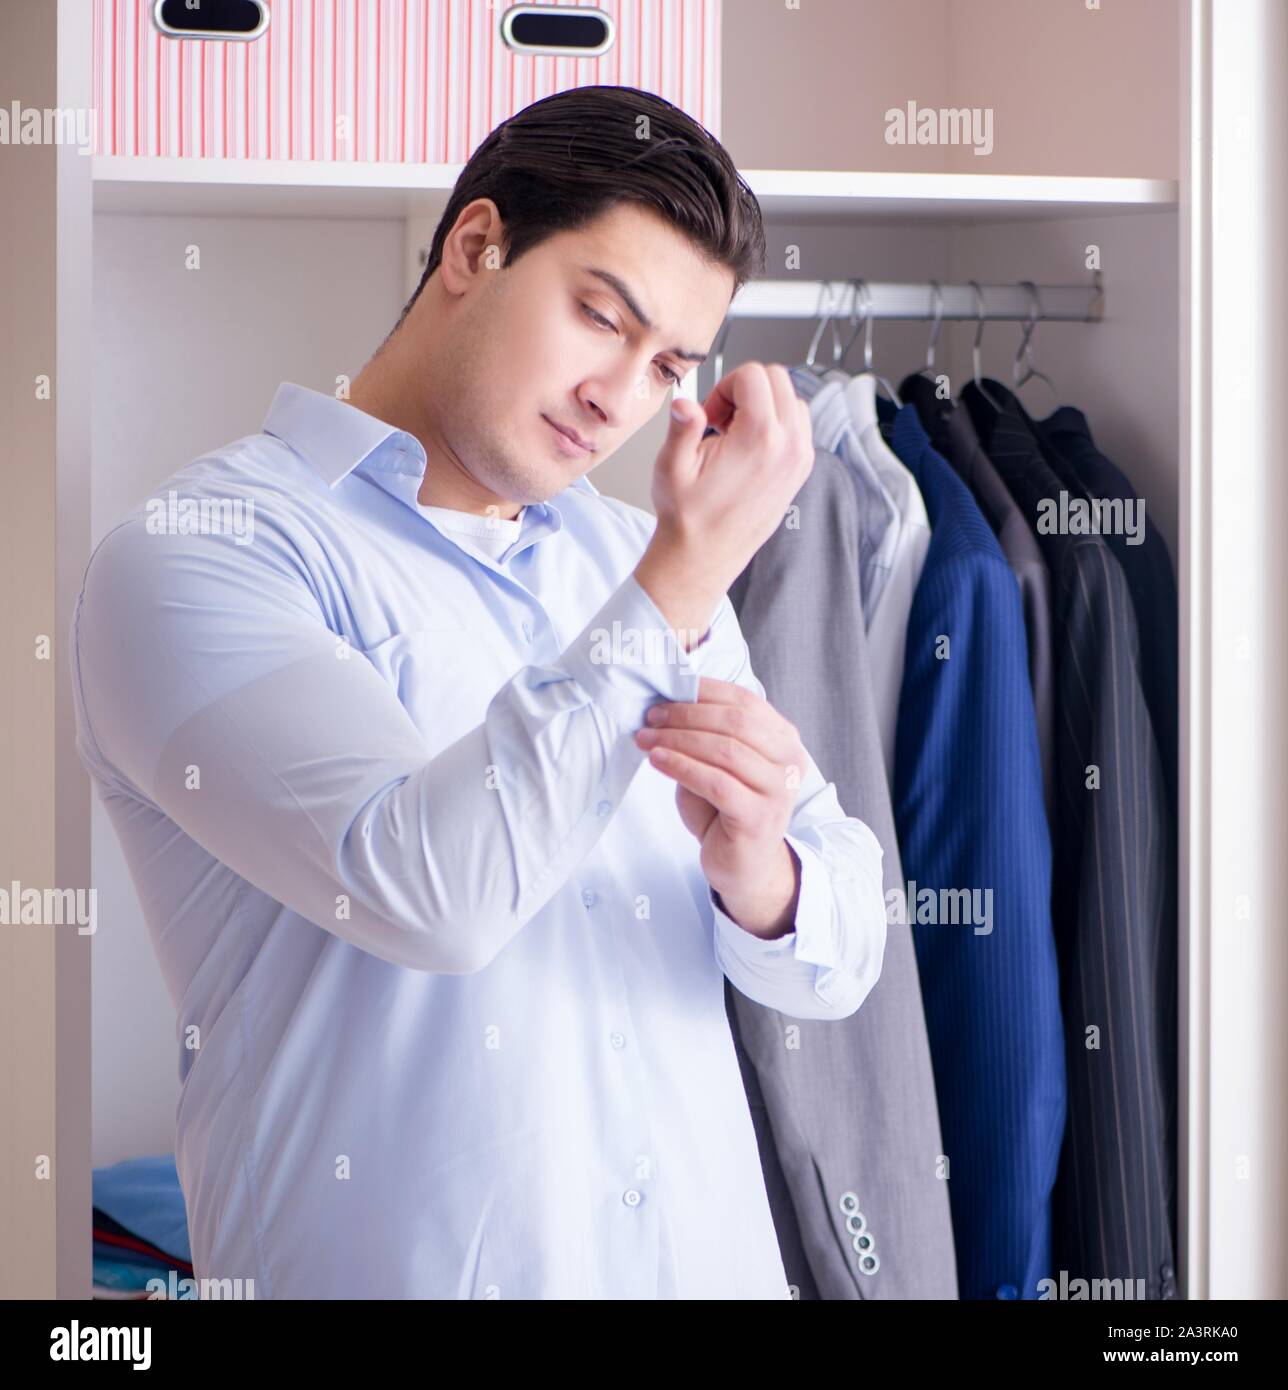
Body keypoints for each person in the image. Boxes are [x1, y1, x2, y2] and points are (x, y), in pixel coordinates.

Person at [70, 85, 887, 1299]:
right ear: (473, 247)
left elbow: (841, 958)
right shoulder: (198, 554)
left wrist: (763, 874)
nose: (620, 395)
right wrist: (680, 578)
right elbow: (430, 896)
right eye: (600, 317)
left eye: (665, 362)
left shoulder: (630, 560)